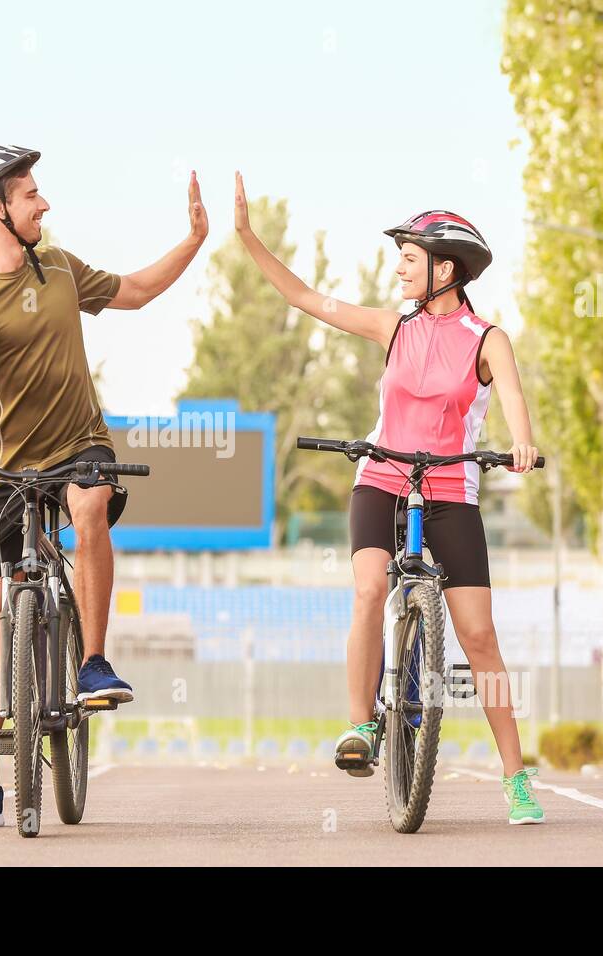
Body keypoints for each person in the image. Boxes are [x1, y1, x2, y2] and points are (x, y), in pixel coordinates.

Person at [233, 173, 544, 825]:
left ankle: (516, 778)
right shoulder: (392, 327)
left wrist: (522, 444)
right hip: (382, 478)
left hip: (451, 488)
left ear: (446, 267)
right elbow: (307, 298)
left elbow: (512, 400)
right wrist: (248, 239)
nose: (399, 267)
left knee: (480, 636)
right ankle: (363, 726)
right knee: (370, 589)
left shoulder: (488, 340)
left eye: (410, 257)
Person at [0, 144, 209, 827]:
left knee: (90, 501)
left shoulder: (61, 270)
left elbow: (134, 291)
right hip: (6, 470)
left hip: (80, 446)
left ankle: (95, 663)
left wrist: (193, 241)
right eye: (30, 194)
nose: (43, 203)